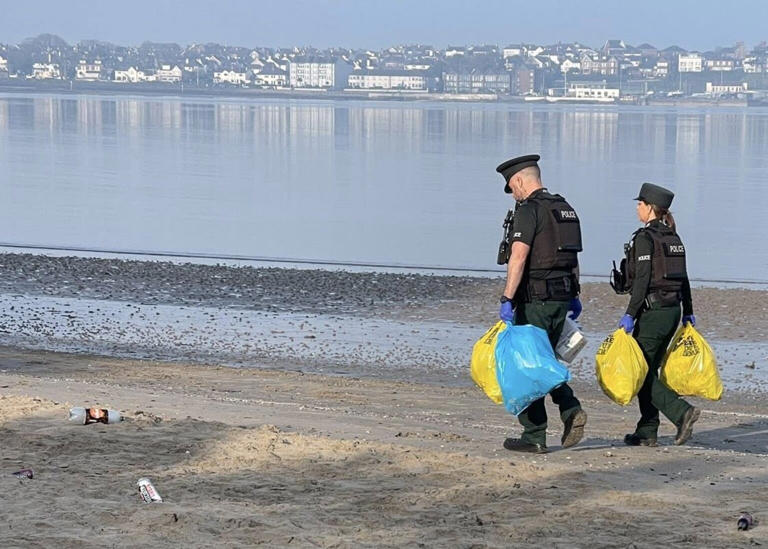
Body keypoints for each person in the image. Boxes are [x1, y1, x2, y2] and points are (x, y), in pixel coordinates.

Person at [495, 154, 587, 454]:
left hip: (535, 300)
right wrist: (574, 294)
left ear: (520, 180)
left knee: (527, 365)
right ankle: (568, 409)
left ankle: (537, 432)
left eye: (512, 187)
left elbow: (518, 257)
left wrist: (507, 298)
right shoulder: (565, 208)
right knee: (543, 361)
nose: (514, 194)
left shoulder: (529, 210)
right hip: (561, 299)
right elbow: (572, 258)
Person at [616, 182, 700, 446]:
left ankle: (681, 412)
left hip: (654, 313)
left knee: (640, 371)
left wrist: (630, 314)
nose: (637, 209)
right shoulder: (673, 238)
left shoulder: (646, 238)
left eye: (640, 204)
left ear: (650, 207)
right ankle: (647, 430)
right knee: (649, 369)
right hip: (672, 310)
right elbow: (684, 278)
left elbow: (642, 279)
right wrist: (688, 311)